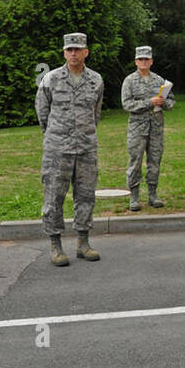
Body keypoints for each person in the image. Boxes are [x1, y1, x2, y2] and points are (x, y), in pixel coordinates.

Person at [36, 32, 104, 266]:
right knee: (54, 197)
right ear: (64, 52)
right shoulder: (50, 79)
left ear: (86, 52)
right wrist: (57, 136)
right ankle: (56, 245)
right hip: (58, 149)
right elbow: (42, 113)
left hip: (86, 148)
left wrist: (83, 134)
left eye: (78, 49)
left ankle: (83, 243)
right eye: (69, 49)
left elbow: (96, 113)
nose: (73, 53)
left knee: (86, 196)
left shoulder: (96, 80)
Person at [120, 45, 175, 210]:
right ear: (136, 61)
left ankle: (153, 195)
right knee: (135, 161)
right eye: (140, 59)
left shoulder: (160, 81)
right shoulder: (129, 81)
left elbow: (171, 102)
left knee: (155, 161)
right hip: (137, 128)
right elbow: (126, 104)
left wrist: (163, 102)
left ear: (151, 61)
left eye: (146, 59)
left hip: (156, 128)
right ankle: (134, 197)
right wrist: (148, 103)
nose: (143, 62)